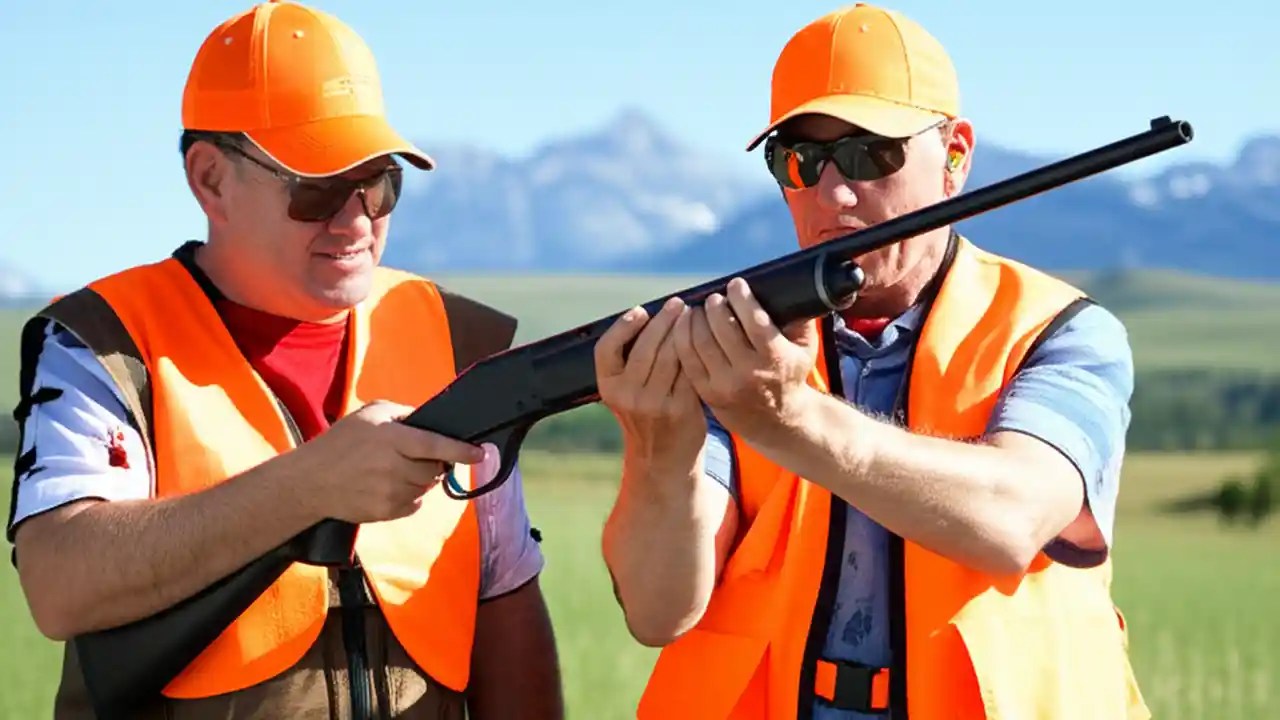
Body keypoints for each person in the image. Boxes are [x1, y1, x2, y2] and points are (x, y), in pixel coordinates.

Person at [6, 2, 563, 718]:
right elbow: (61, 582)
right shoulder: (106, 340)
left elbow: (504, 595)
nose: (358, 219)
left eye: (379, 183)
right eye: (318, 188)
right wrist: (308, 488)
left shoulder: (453, 338)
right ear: (210, 179)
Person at [594, 4, 1148, 719]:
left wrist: (791, 419)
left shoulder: (1061, 331)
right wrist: (657, 459)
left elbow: (1011, 520)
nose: (834, 193)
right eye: (799, 160)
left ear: (955, 155)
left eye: (869, 154)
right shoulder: (737, 347)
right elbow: (657, 609)